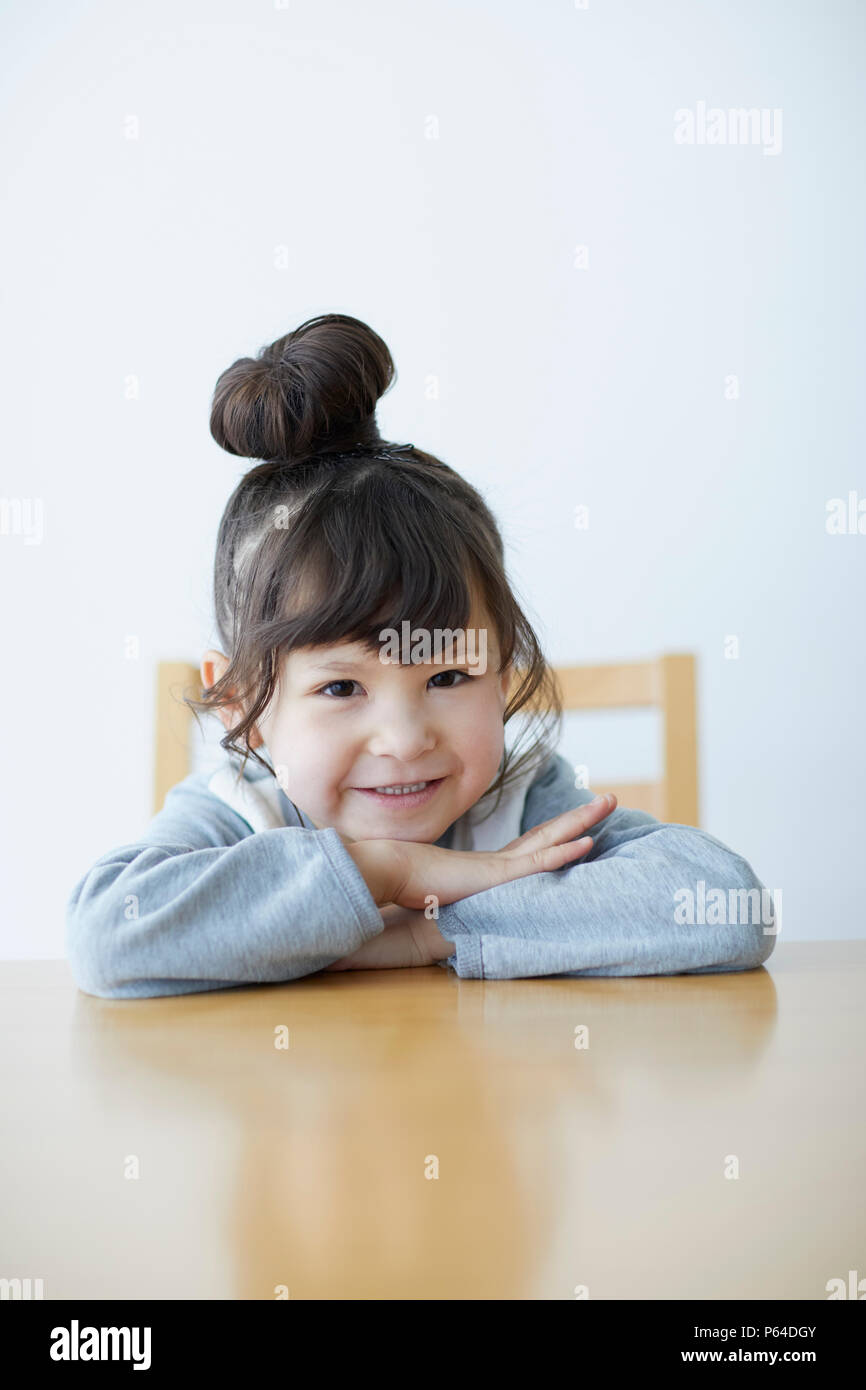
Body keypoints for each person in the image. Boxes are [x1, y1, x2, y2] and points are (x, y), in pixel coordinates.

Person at [65, 313, 777, 999]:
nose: (406, 741)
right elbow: (107, 937)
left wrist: (437, 928)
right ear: (241, 704)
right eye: (342, 688)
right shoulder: (241, 812)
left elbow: (726, 906)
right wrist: (388, 871)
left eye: (447, 675)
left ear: (502, 675)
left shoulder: (518, 801)